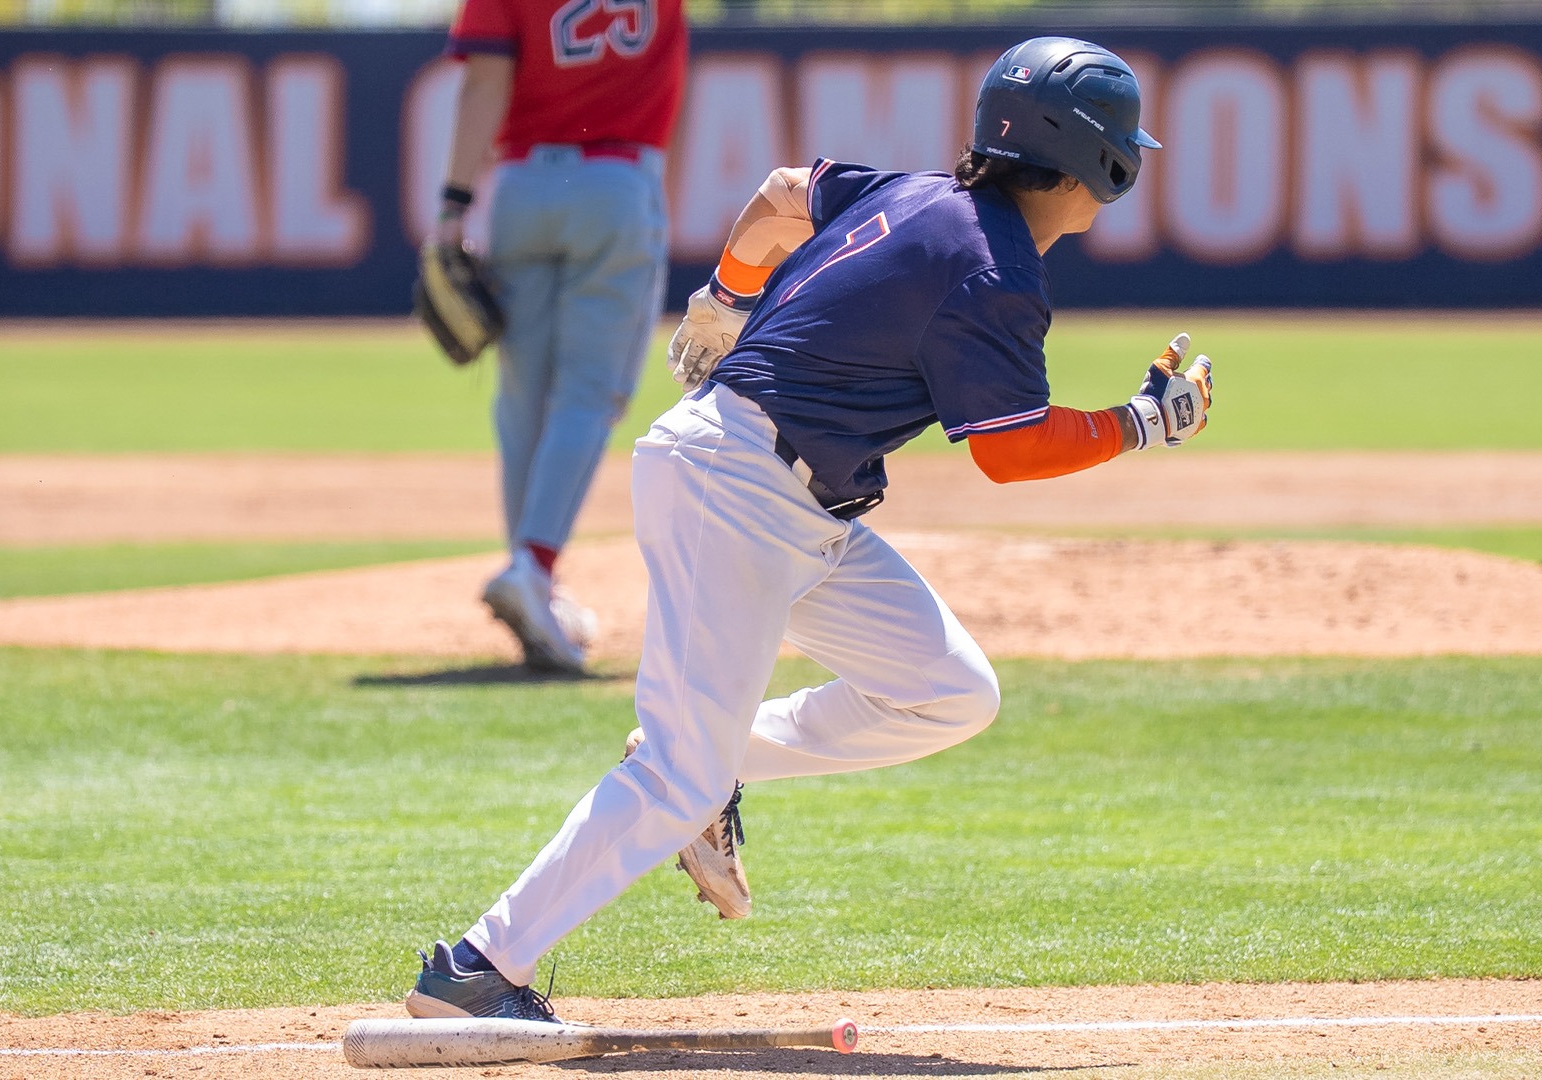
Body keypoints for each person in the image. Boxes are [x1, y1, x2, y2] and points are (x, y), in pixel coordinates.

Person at [402, 36, 1214, 1021]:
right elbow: (1008, 451)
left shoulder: (916, 197)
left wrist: (726, 298)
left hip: (788, 498)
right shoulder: (997, 268)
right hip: (738, 488)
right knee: (676, 769)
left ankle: (720, 762)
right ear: (1105, 165)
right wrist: (1142, 420)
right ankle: (481, 967)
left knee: (949, 691)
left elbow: (786, 192)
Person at [433, 0, 686, 674]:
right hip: (613, 181)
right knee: (588, 393)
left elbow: (484, 80)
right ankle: (534, 568)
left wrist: (453, 203)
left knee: (523, 398)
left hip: (522, 185)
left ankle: (533, 576)